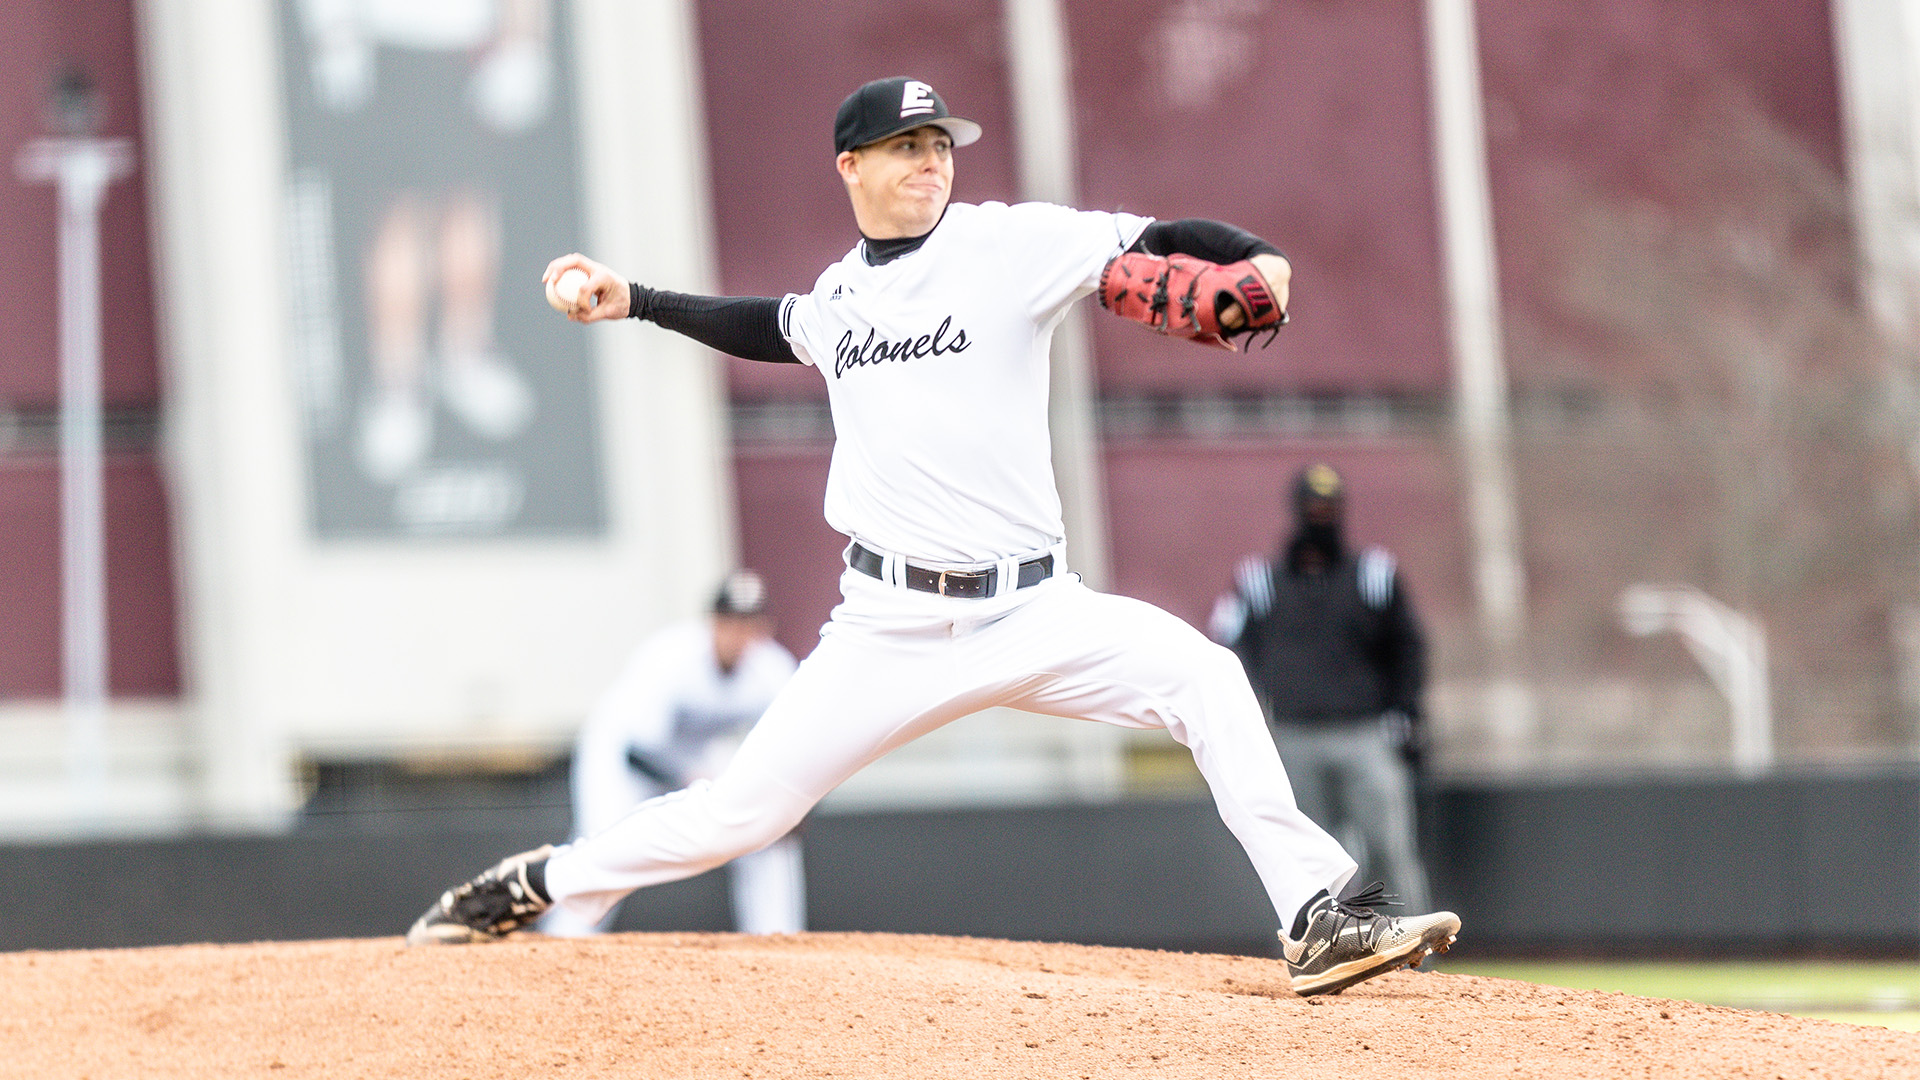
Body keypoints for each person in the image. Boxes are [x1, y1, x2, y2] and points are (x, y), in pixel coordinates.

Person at [406, 75, 1459, 996]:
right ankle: (538, 882)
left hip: (1038, 608)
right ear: (851, 165)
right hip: (888, 625)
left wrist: (1261, 259)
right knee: (739, 817)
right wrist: (632, 299)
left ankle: (1318, 914)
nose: (930, 161)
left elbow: (1157, 240)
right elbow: (763, 324)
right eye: (907, 145)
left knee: (1207, 680)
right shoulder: (840, 300)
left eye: (940, 143)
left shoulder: (1012, 243)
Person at [1210, 463, 1434, 915]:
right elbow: (1227, 648)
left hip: (1365, 733)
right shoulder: (1259, 582)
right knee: (1300, 857)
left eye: (1329, 507)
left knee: (1387, 846)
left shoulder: (1374, 574)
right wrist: (1250, 719)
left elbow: (1409, 646)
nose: (1320, 517)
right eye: (1312, 507)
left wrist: (1407, 714)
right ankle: (1315, 953)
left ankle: (1413, 958)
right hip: (1293, 736)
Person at [540, 570, 804, 937]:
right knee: (602, 844)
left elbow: (795, 750)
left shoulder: (771, 668)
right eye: (730, 622)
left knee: (766, 831)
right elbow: (638, 751)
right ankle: (561, 939)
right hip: (622, 759)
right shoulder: (670, 658)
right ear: (712, 621)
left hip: (697, 757)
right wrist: (689, 781)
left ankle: (778, 937)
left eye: (749, 624)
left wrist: (787, 808)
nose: (739, 635)